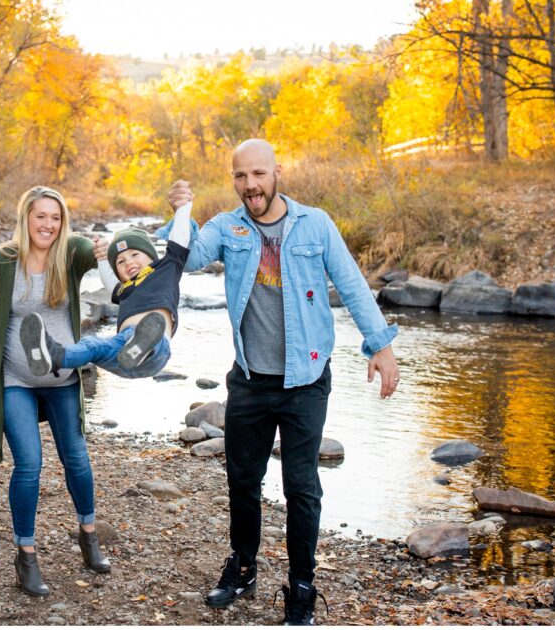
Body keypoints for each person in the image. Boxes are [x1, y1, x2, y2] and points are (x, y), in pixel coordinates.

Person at [160, 139, 400, 625]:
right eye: (240, 176)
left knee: (301, 486)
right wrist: (181, 212)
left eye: (258, 174)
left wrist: (380, 344)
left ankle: (303, 588)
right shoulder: (226, 227)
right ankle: (244, 567)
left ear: (276, 173)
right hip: (249, 380)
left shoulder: (316, 224)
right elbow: (182, 259)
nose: (250, 185)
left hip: (305, 380)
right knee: (243, 481)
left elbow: (351, 283)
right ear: (234, 181)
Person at [0, 186, 112, 598]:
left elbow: (107, 256)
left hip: (63, 379)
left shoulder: (71, 252)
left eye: (55, 218)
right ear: (26, 219)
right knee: (29, 465)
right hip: (16, 380)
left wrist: (107, 247)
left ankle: (89, 536)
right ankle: (26, 555)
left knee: (76, 457)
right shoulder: (4, 260)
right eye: (41, 216)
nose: (48, 225)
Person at [19, 200, 194, 380]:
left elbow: (180, 239)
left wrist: (183, 206)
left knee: (146, 330)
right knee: (91, 344)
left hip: (156, 348)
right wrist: (102, 259)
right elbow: (110, 281)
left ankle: (141, 346)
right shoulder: (124, 288)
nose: (129, 262)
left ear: (151, 255)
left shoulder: (166, 268)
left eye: (134, 255)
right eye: (121, 261)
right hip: (122, 354)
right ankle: (53, 357)